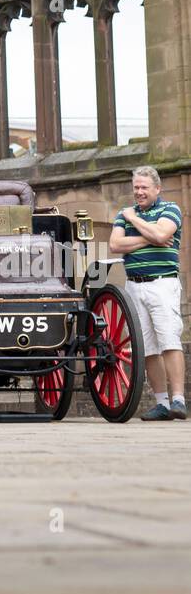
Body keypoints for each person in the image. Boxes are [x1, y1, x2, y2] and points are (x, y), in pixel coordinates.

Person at [109, 166, 186, 421]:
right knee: (147, 347)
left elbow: (163, 233)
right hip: (134, 285)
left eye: (144, 187)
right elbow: (115, 244)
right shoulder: (123, 213)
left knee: (169, 340)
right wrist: (150, 237)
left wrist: (134, 221)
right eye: (136, 188)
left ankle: (178, 400)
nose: (139, 192)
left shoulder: (169, 209)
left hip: (162, 283)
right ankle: (161, 403)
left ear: (157, 189)